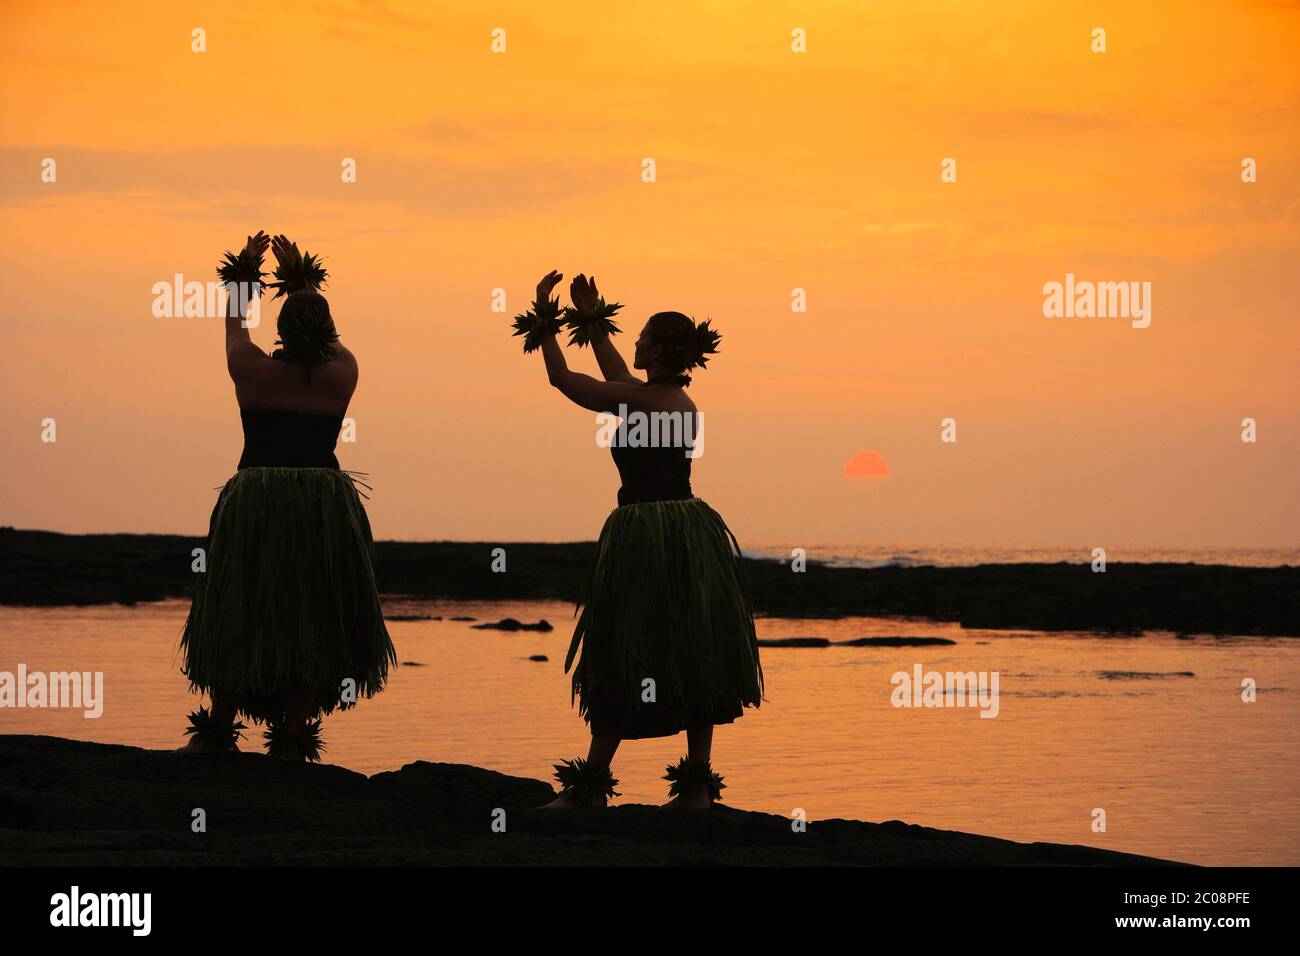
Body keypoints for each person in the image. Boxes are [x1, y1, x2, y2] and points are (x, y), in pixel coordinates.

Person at [515, 270, 763, 809]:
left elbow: (567, 381)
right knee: (690, 645)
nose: (636, 340)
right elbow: (617, 374)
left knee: (628, 644)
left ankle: (590, 789)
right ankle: (696, 788)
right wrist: (591, 317)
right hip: (683, 530)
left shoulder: (649, 404)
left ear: (659, 348)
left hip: (650, 535)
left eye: (643, 334)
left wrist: (545, 316)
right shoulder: (666, 398)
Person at [177, 232, 395, 761]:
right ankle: (294, 738)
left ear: (280, 329)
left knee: (242, 606)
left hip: (257, 499)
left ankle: (218, 733)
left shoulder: (252, 370)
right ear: (327, 329)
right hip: (322, 502)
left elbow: (234, 325)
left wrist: (245, 277)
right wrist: (300, 283)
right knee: (310, 610)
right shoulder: (343, 374)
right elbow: (331, 338)